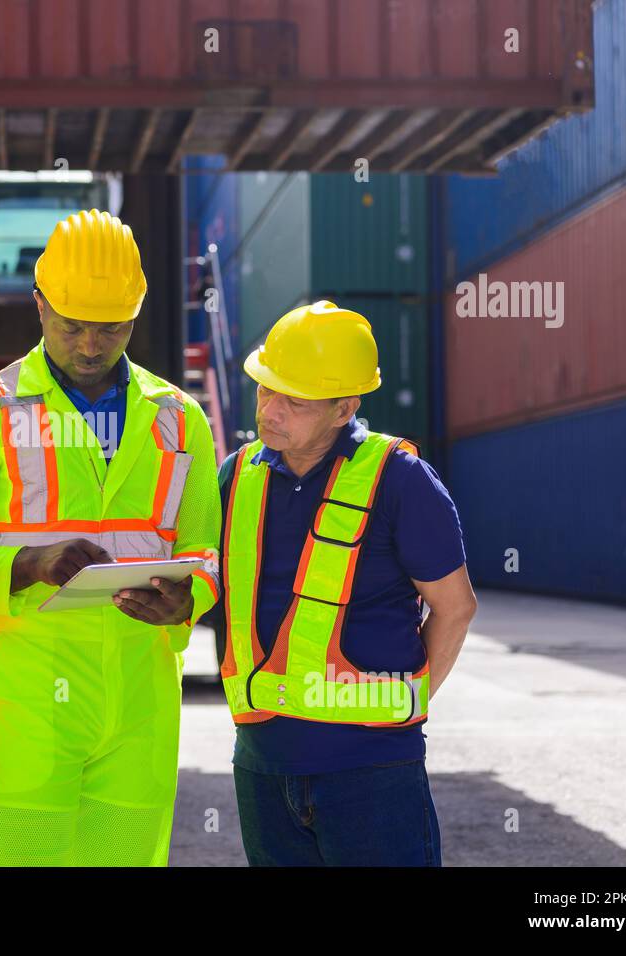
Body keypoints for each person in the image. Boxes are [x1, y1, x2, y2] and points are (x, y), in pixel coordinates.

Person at [0, 209, 222, 866]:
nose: (90, 344)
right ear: (38, 306)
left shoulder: (180, 418)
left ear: (136, 316)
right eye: (72, 325)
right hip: (29, 709)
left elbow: (206, 554)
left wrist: (191, 596)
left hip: (139, 708)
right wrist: (27, 564)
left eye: (110, 328)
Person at [217, 299, 476, 866]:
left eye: (296, 400)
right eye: (266, 389)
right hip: (262, 766)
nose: (271, 409)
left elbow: (454, 607)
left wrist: (400, 704)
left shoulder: (400, 480)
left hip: (373, 772)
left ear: (344, 409)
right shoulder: (236, 476)